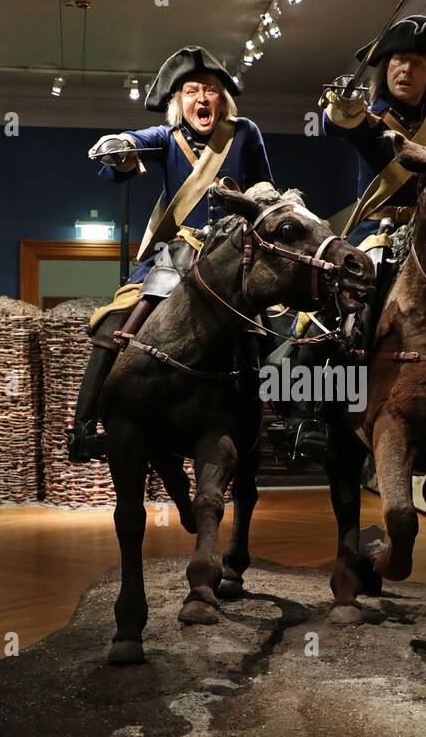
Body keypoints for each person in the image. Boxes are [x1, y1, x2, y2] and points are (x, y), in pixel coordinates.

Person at [68, 45, 274, 461]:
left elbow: (265, 187)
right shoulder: (166, 138)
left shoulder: (244, 132)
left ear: (222, 99)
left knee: (278, 324)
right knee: (114, 323)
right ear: (179, 101)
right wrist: (120, 145)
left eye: (210, 89)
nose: (202, 98)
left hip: (235, 254)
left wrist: (259, 201)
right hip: (179, 251)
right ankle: (84, 425)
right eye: (192, 91)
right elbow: (133, 144)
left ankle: (287, 419)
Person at [286, 15, 426, 462]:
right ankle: (311, 411)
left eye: (418, 62)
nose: (406, 70)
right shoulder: (364, 115)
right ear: (384, 68)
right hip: (379, 233)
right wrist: (343, 102)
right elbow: (336, 122)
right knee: (342, 311)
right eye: (398, 60)